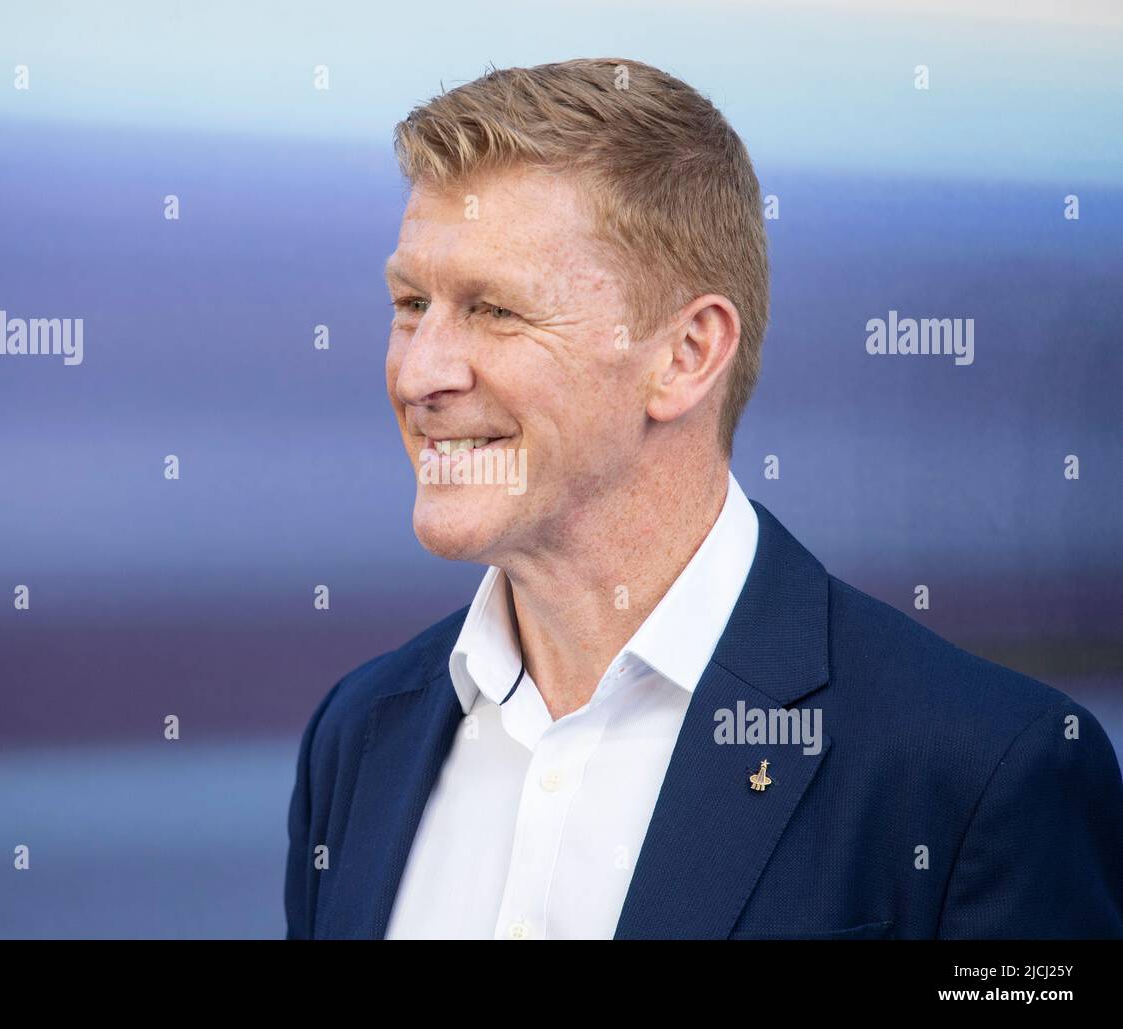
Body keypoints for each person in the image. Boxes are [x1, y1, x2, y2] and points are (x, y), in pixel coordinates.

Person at [284, 58, 1123, 940]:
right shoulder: (359, 736)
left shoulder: (980, 772)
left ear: (686, 354)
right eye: (412, 303)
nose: (420, 372)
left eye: (495, 310)